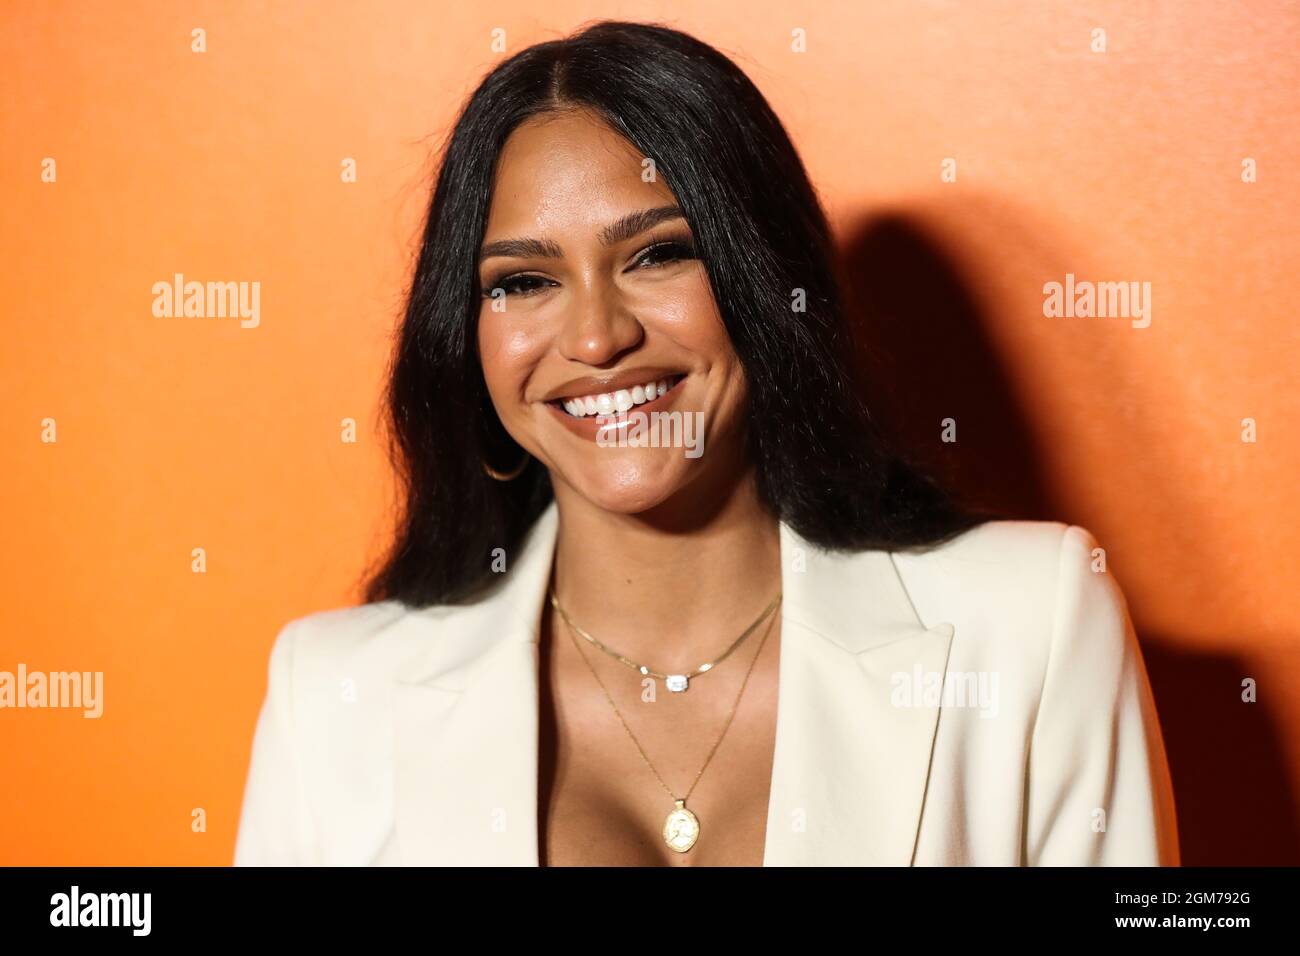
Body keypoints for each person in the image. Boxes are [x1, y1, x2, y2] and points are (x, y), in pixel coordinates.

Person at [233, 20, 1179, 867]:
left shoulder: (1032, 625)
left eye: (657, 254)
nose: (597, 338)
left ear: (765, 280)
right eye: (522, 281)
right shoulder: (332, 699)